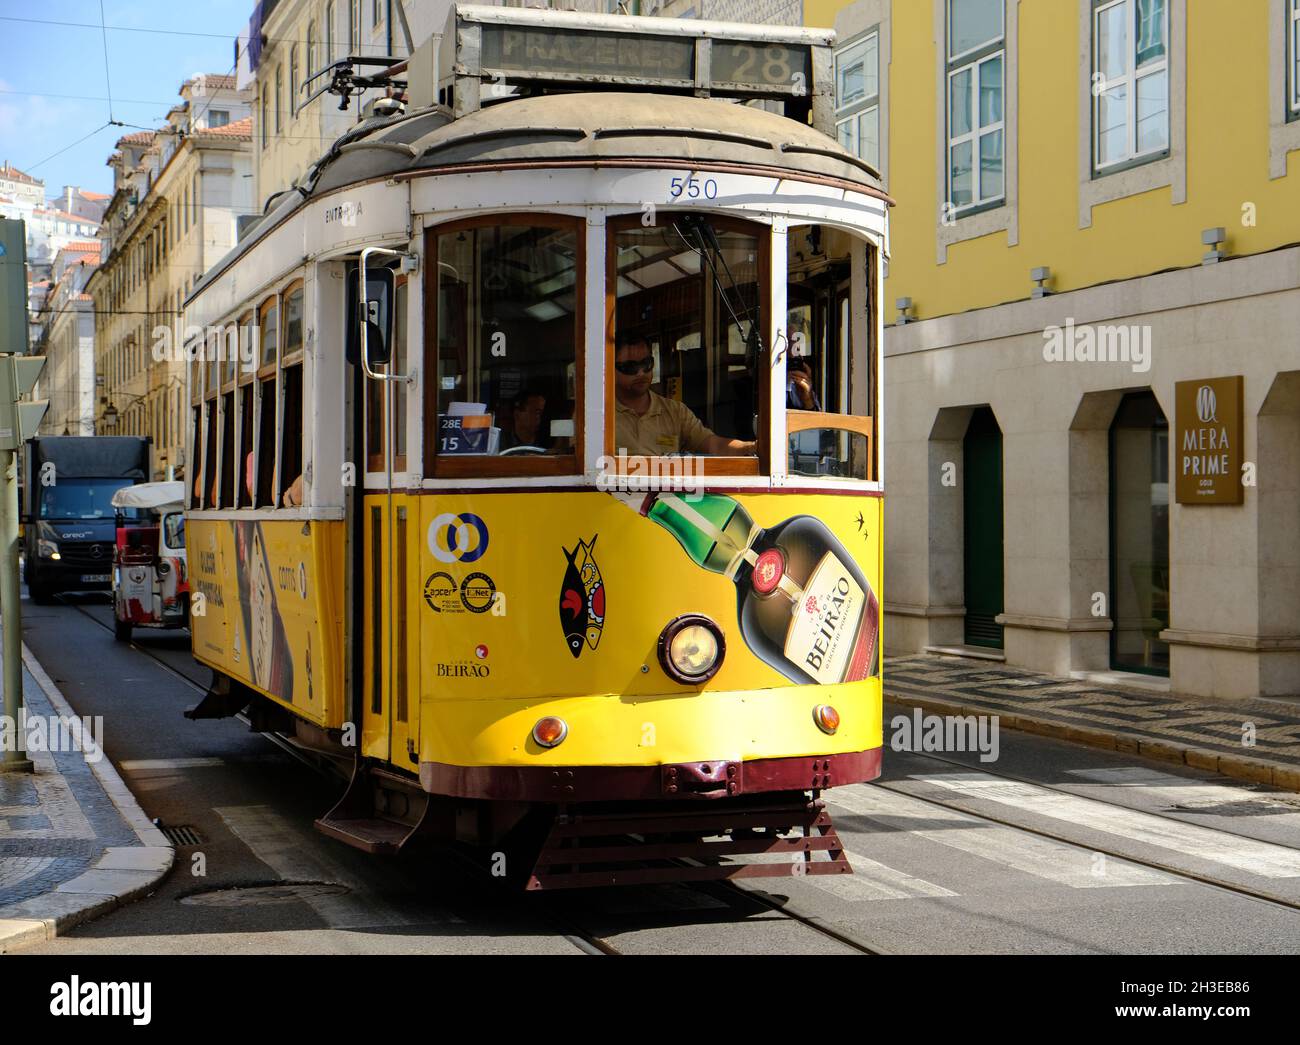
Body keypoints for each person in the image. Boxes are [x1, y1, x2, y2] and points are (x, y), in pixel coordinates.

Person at [613, 333, 756, 457]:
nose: (641, 372)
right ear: (609, 368)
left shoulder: (676, 412)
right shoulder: (599, 417)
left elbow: (714, 445)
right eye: (630, 367)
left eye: (646, 364)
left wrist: (750, 447)